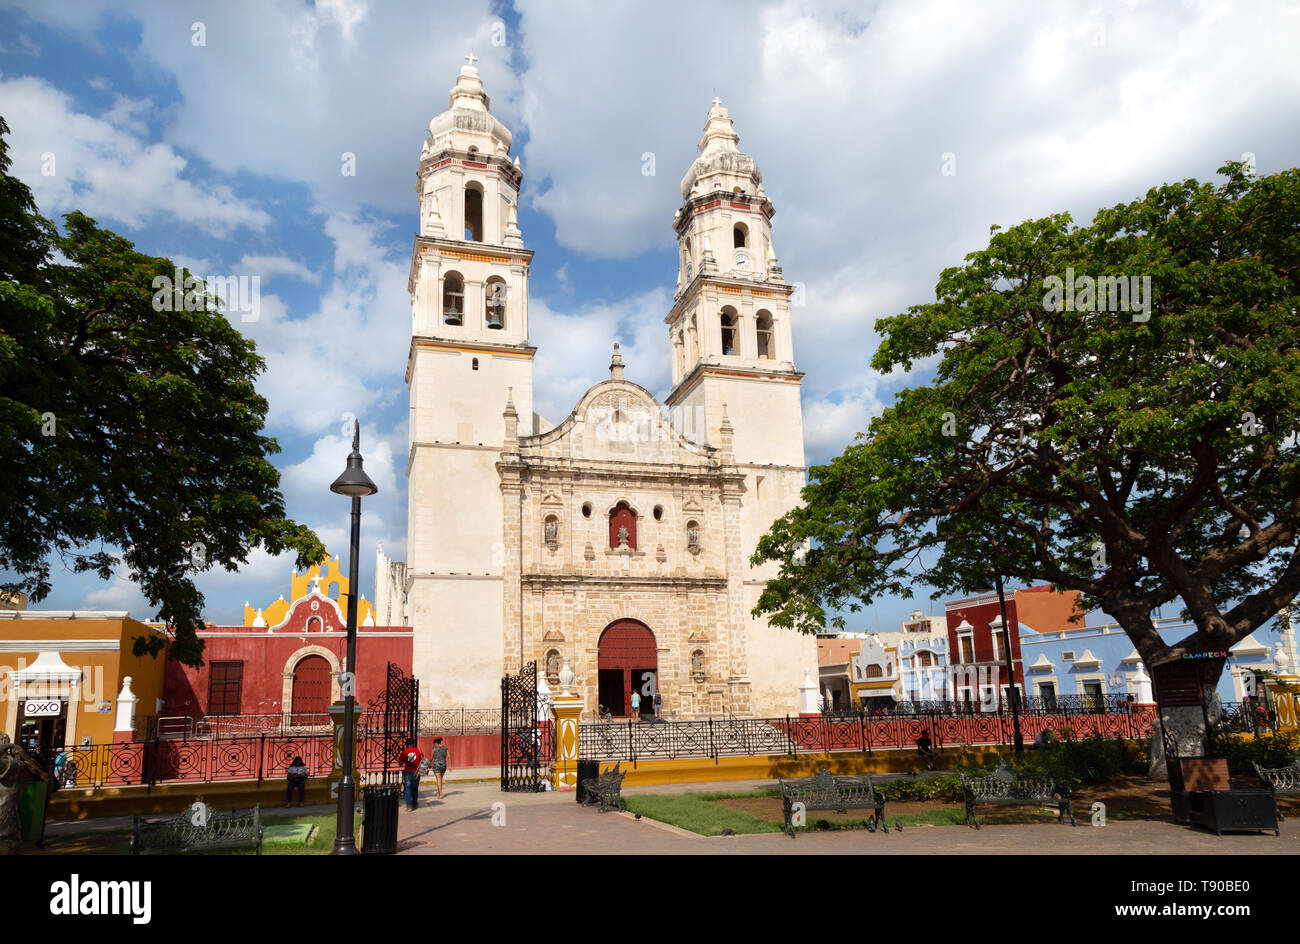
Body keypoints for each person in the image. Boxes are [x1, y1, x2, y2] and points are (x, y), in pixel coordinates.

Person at [398, 737, 423, 811]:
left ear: (406, 744)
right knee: (415, 788)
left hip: (408, 772)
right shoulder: (418, 751)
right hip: (417, 772)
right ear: (413, 744)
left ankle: (409, 806)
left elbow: (400, 763)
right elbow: (423, 760)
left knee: (408, 788)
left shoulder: (405, 752)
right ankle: (415, 804)